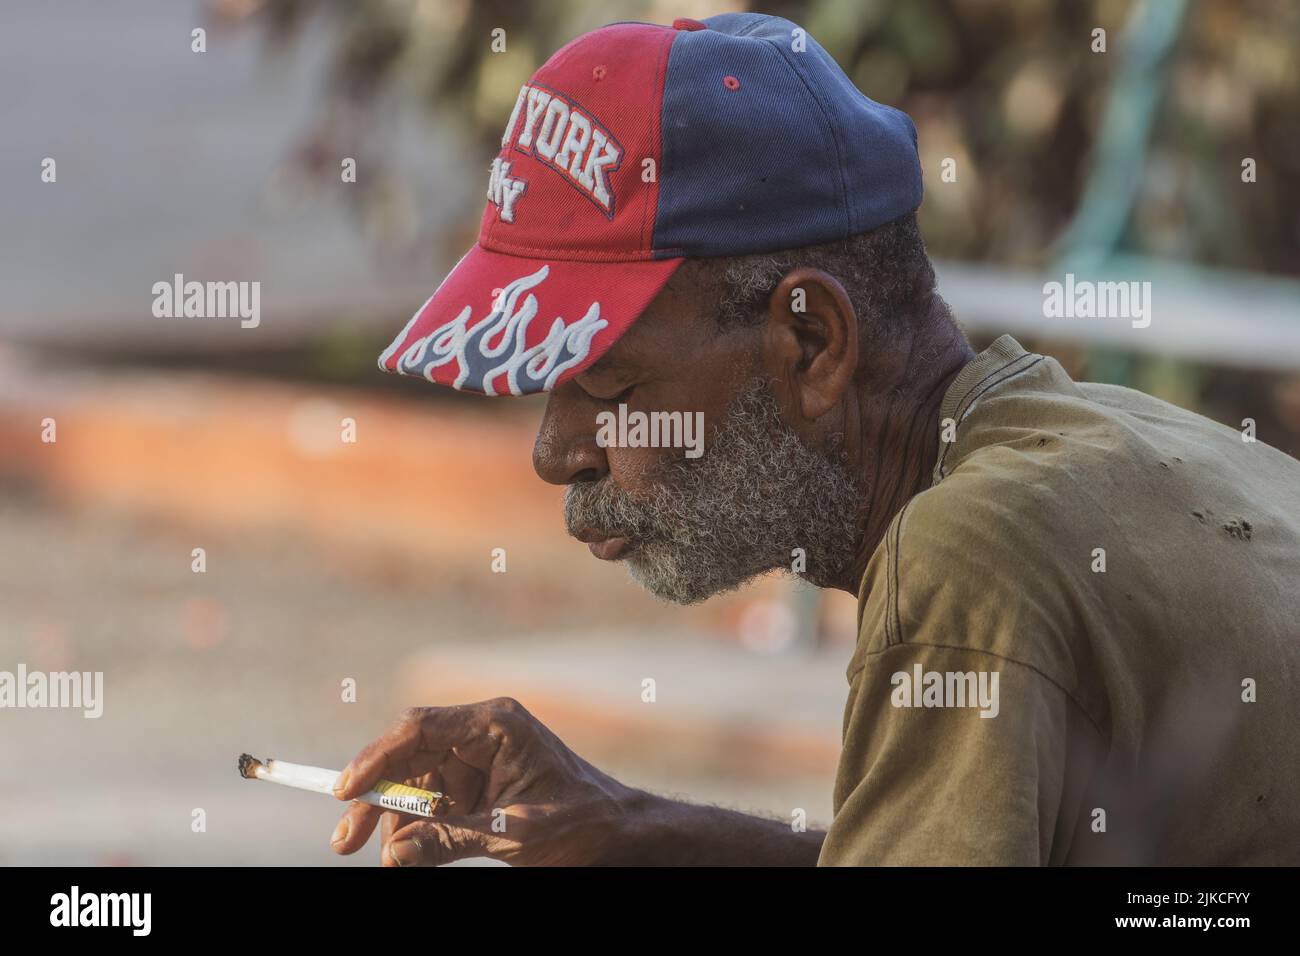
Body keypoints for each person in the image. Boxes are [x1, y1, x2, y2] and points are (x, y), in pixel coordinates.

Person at [328, 13, 1300, 865]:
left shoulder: (967, 555)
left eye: (611, 384)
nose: (557, 453)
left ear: (809, 340)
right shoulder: (1112, 448)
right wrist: (632, 828)